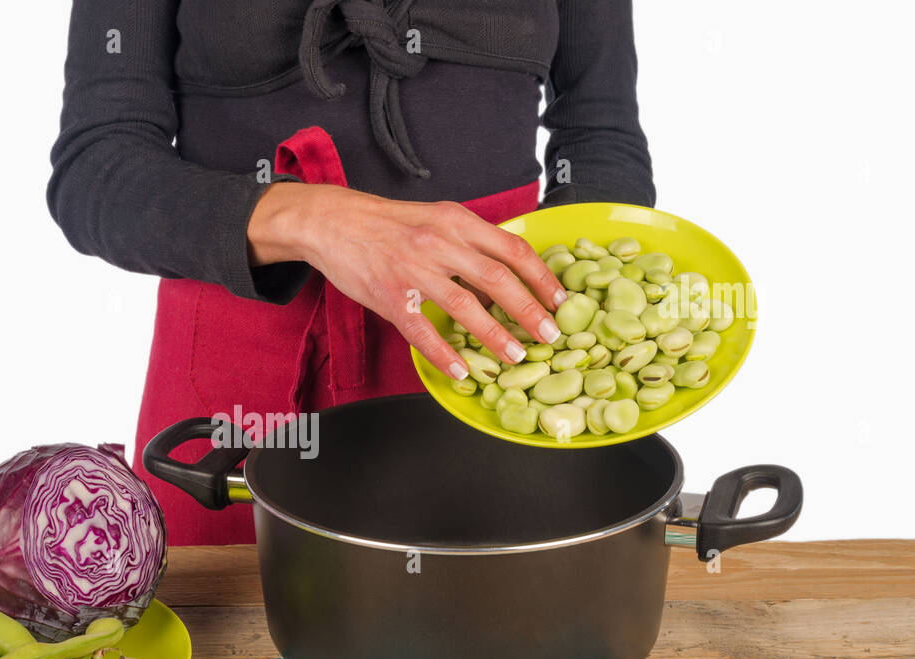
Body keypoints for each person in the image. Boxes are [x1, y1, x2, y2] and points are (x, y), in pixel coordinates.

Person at [49, 0, 655, 545]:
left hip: (496, 346)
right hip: (240, 360)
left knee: (503, 626)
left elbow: (598, 134)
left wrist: (579, 314)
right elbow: (96, 168)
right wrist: (314, 221)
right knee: (216, 640)